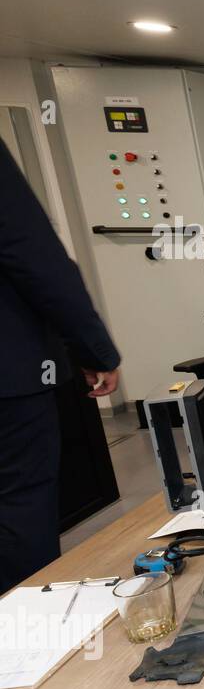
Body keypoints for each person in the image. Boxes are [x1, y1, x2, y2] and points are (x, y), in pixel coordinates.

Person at [0, 140, 121, 593]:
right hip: (9, 377)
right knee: (19, 510)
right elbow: (36, 259)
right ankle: (28, 638)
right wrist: (94, 351)